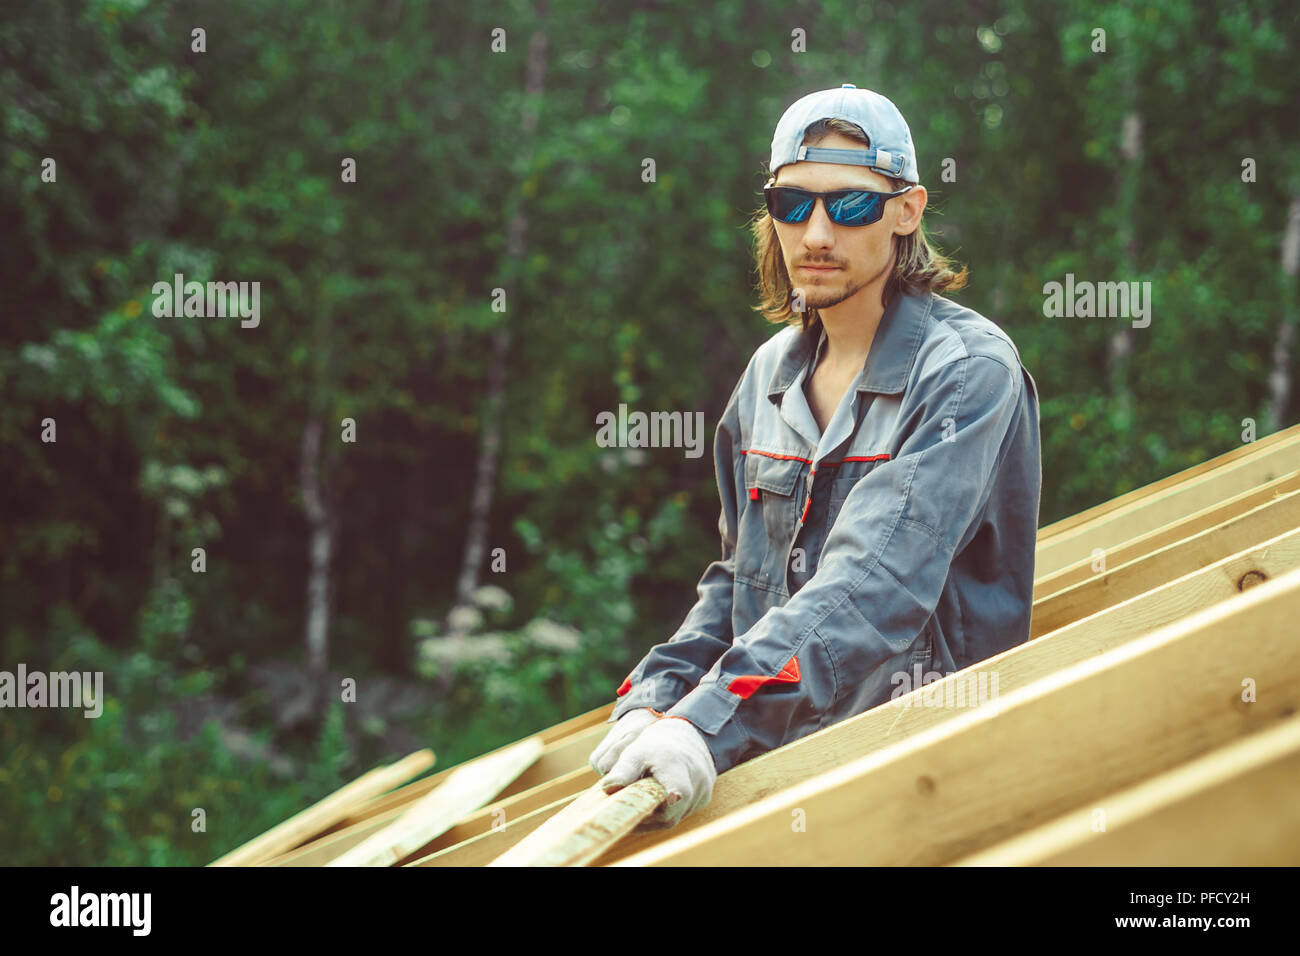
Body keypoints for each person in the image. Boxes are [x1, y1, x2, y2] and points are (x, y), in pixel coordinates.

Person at [591, 84, 1042, 829]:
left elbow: (876, 584)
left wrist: (710, 722)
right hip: (769, 771)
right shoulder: (768, 376)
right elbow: (738, 584)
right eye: (792, 204)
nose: (817, 233)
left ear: (907, 211)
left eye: (852, 205)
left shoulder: (965, 373)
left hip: (917, 783)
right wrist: (658, 698)